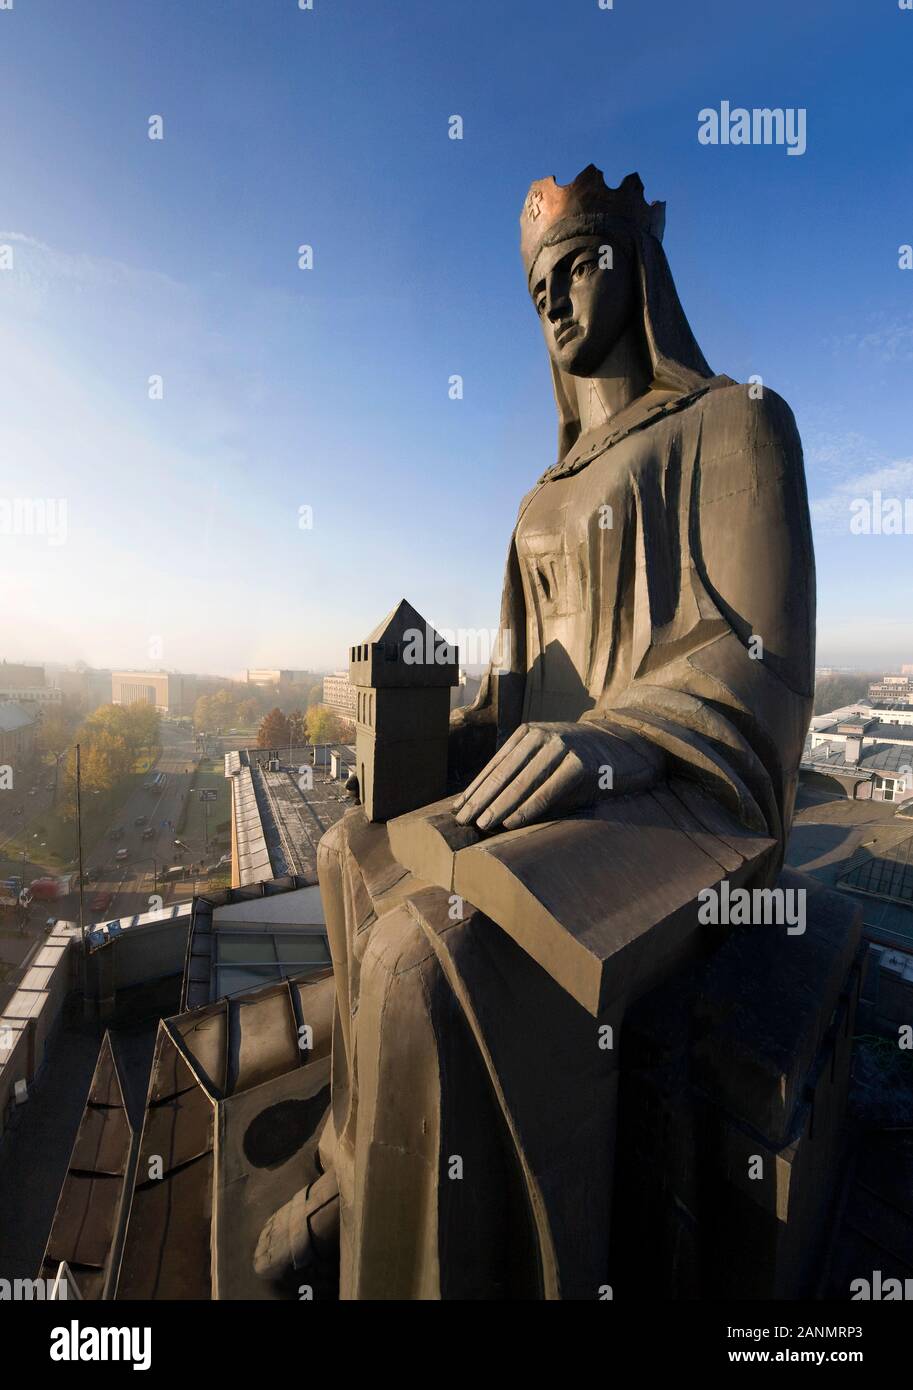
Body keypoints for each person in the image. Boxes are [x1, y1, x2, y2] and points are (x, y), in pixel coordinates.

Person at [254, 165, 815, 1299]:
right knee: (345, 855)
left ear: (635, 266)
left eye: (578, 267)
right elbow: (518, 699)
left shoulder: (736, 423)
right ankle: (363, 1168)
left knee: (425, 953)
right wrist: (434, 738)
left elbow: (764, 665)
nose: (556, 301)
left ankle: (465, 1271)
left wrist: (616, 738)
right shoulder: (535, 505)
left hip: (682, 797)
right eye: (538, 289)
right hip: (556, 794)